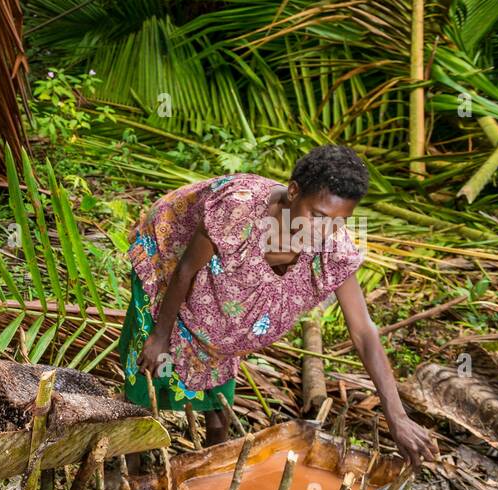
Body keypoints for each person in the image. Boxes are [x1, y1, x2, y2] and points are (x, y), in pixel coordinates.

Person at [116, 145, 437, 468]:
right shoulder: (237, 212)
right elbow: (185, 270)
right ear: (293, 192)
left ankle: (209, 472)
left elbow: (364, 332)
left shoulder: (332, 246)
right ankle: (130, 466)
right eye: (318, 216)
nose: (323, 231)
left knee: (218, 410)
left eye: (339, 222)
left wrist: (397, 416)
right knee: (147, 379)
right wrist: (160, 336)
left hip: (224, 303)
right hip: (171, 259)